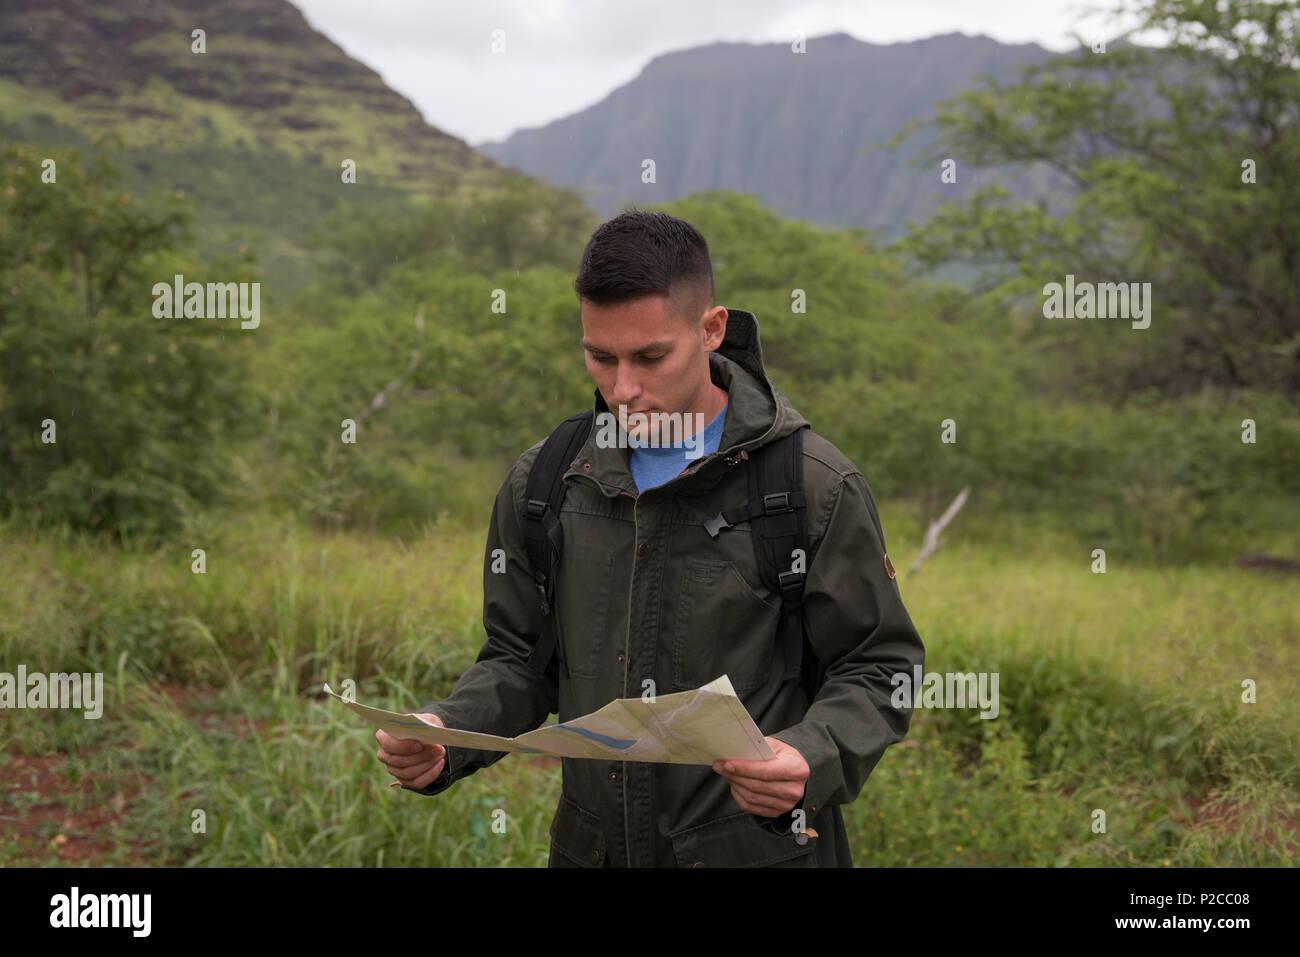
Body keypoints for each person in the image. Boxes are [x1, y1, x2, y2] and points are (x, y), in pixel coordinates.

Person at [375, 209, 925, 866]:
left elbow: (881, 667)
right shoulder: (549, 480)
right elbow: (520, 660)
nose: (624, 389)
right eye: (600, 357)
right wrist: (446, 732)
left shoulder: (812, 487)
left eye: (650, 356)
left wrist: (810, 752)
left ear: (711, 329)